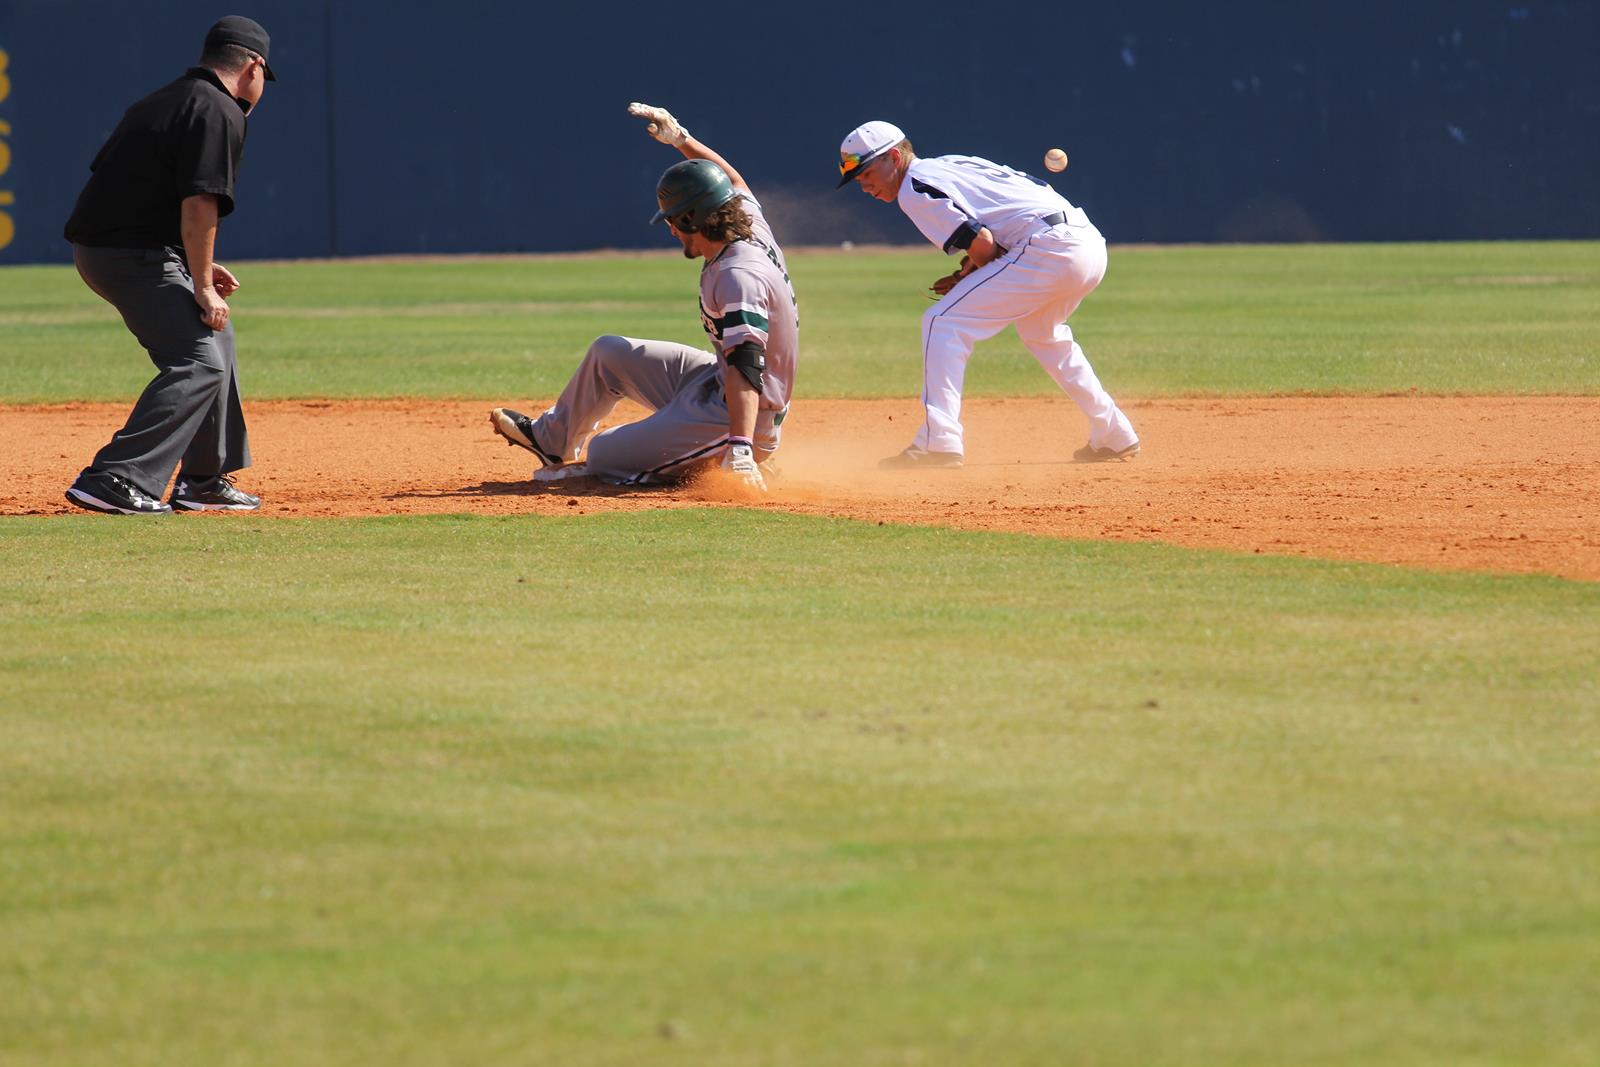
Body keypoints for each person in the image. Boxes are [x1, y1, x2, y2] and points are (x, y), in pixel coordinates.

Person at [489, 103, 797, 490]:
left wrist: (740, 446)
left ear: (691, 219)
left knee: (604, 455)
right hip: (717, 381)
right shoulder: (746, 223)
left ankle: (727, 458)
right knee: (609, 354)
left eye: (671, 219)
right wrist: (681, 140)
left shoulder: (738, 277)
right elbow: (732, 179)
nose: (669, 229)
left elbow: (746, 368)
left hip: (743, 413)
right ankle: (552, 439)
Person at [62, 16, 276, 515]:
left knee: (215, 340)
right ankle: (115, 476)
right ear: (254, 65)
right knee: (198, 357)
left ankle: (203, 479)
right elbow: (200, 202)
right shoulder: (221, 109)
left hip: (118, 246)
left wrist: (194, 260)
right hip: (128, 253)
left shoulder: (168, 98)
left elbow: (138, 189)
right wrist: (201, 284)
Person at [836, 120, 1138, 469]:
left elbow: (984, 246)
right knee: (1042, 333)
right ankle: (1113, 432)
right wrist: (971, 272)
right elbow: (988, 242)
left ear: (893, 157)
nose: (864, 185)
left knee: (942, 323)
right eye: (858, 179)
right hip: (1086, 242)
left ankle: (940, 442)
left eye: (867, 173)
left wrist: (971, 273)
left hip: (1049, 250)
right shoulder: (948, 164)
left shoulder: (913, 188)